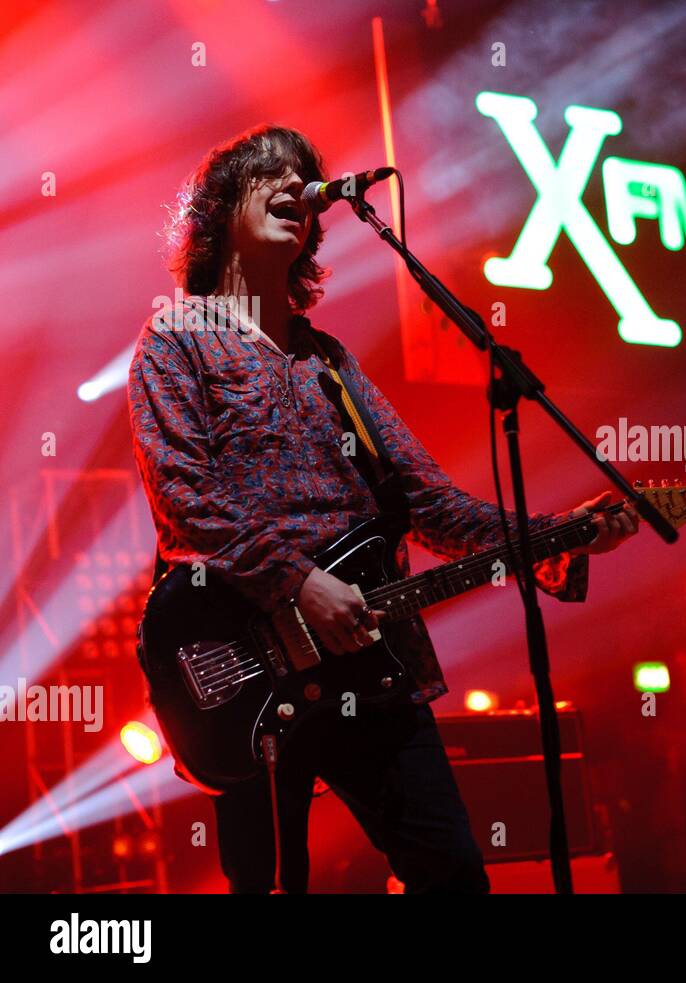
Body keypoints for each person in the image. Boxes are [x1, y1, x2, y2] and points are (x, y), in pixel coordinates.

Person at [128, 125, 637, 893]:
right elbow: (183, 499)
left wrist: (561, 535)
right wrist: (297, 583)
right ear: (220, 207)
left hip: (374, 663)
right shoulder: (176, 337)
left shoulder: (330, 362)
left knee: (455, 876)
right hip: (241, 666)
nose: (295, 188)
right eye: (270, 174)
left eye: (305, 180)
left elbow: (429, 503)